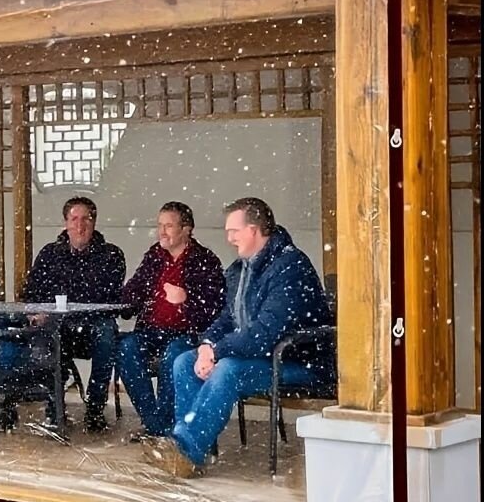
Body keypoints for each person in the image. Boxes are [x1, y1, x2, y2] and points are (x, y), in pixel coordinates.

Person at [142, 197, 334, 478]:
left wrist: (218, 352)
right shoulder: (240, 270)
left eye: (234, 231)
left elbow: (266, 333)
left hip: (297, 363)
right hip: (261, 358)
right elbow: (226, 319)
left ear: (254, 230)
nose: (229, 238)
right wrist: (207, 345)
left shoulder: (289, 267)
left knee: (228, 370)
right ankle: (189, 448)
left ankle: (184, 451)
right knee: (185, 361)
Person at [117, 202, 224, 439]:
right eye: (159, 225)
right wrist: (126, 299)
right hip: (152, 330)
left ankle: (162, 424)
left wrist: (185, 299)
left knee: (173, 355)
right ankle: (156, 425)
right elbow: (132, 291)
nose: (162, 232)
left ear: (186, 229)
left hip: (188, 333)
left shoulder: (204, 261)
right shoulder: (155, 256)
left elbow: (214, 310)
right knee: (126, 347)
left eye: (169, 226)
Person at [21, 196, 126, 433]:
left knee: (107, 331)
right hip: (58, 327)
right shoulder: (50, 254)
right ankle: (54, 409)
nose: (80, 226)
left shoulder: (110, 255)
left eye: (86, 219)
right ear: (65, 223)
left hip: (92, 327)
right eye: (74, 219)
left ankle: (95, 407)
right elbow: (32, 291)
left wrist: (70, 299)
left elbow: (107, 296)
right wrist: (38, 311)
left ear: (95, 222)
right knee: (42, 337)